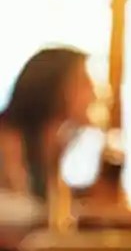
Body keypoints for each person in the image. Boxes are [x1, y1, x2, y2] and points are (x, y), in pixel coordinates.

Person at [0, 47, 97, 202]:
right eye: (84, 82)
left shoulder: (53, 142)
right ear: (54, 87)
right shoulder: (8, 143)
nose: (93, 91)